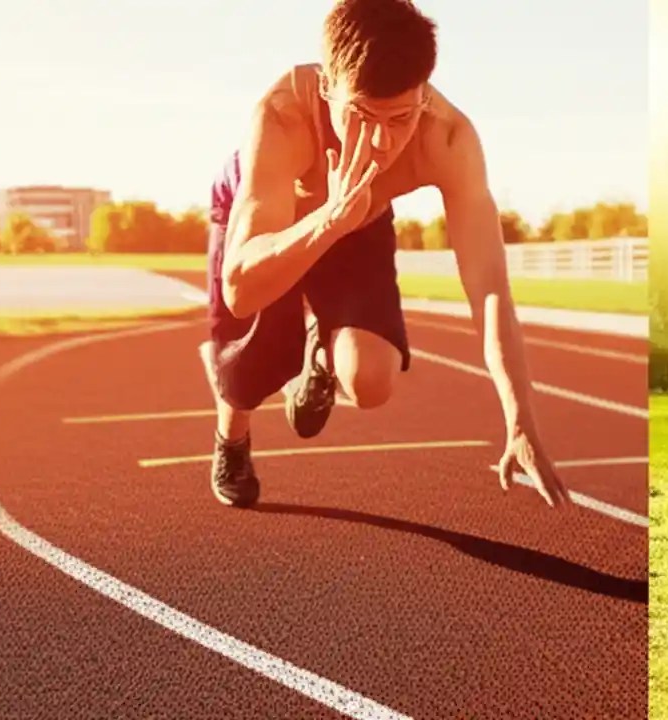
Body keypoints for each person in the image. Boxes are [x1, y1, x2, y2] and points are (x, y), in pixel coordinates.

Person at [199, 0, 570, 511]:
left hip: (359, 217)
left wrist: (520, 415)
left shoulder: (448, 138)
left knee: (371, 380)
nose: (377, 140)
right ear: (326, 86)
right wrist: (328, 218)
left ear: (422, 96)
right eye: (360, 115)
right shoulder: (282, 115)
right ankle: (233, 441)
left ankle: (322, 352)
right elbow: (242, 289)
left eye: (399, 118)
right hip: (271, 223)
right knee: (257, 364)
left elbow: (488, 286)